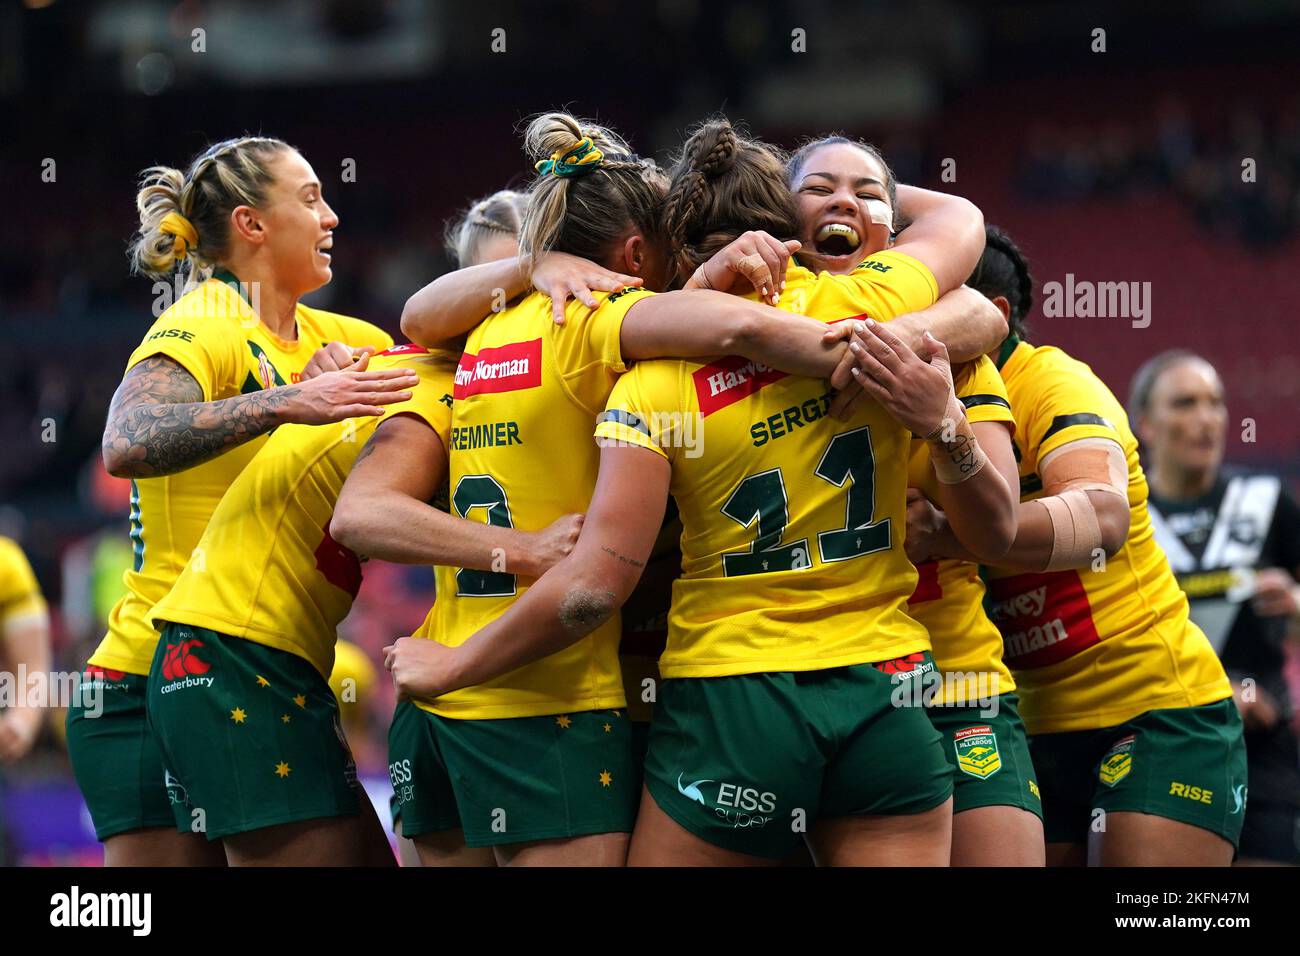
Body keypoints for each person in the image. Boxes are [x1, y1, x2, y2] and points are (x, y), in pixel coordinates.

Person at [385, 118, 1013, 866]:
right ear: (787, 222)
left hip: (731, 692)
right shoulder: (886, 305)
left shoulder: (647, 379)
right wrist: (860, 222)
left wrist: (454, 664)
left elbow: (592, 587)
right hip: (891, 686)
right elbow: (962, 229)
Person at [65, 135, 412, 866]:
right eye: (311, 198)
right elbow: (128, 439)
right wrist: (292, 400)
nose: (333, 218)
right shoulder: (209, 318)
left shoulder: (344, 339)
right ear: (252, 224)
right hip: (156, 669)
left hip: (264, 668)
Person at [907, 226, 1246, 866]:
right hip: (1029, 724)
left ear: (992, 317)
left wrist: (951, 533)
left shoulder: (1054, 383)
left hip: (1157, 713)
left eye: (936, 307)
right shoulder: (921, 408)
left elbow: (1103, 517)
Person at [1133, 350, 1300, 865]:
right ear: (1146, 425)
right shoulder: (1123, 516)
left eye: (1216, 403)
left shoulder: (1266, 500)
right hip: (1157, 742)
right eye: (1185, 404)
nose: (1206, 419)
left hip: (1262, 750)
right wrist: (1210, 688)